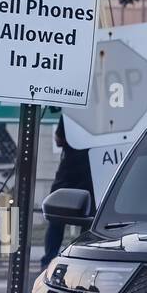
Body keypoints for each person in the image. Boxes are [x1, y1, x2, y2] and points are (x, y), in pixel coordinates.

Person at [40, 114, 95, 273]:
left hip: (69, 169)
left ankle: (49, 261)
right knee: (89, 218)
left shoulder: (72, 111)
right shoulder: (103, 112)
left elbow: (59, 139)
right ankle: (82, 259)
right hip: (93, 169)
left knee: (56, 215)